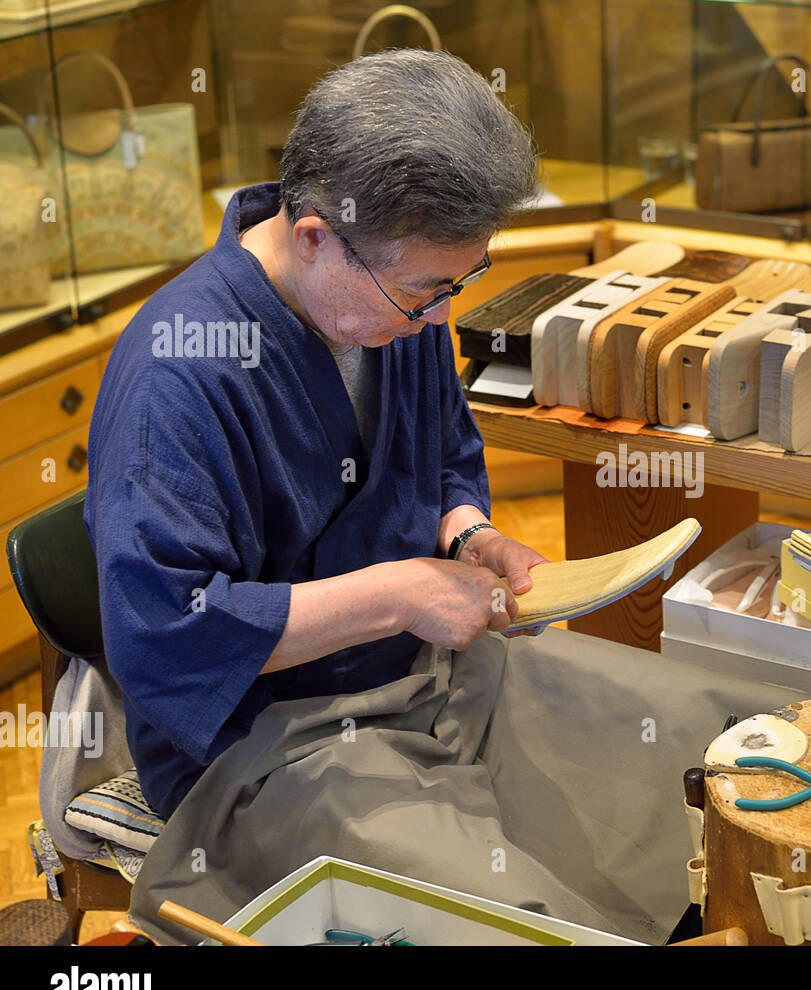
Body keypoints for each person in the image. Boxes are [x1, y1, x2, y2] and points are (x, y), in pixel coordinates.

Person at [86, 49, 546, 819]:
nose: (439, 317)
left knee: (633, 737)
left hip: (405, 683)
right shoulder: (180, 375)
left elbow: (444, 459)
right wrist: (398, 595)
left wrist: (469, 535)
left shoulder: (395, 300)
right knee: (490, 886)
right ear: (312, 238)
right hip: (251, 749)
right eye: (422, 294)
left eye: (455, 287)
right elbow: (168, 632)